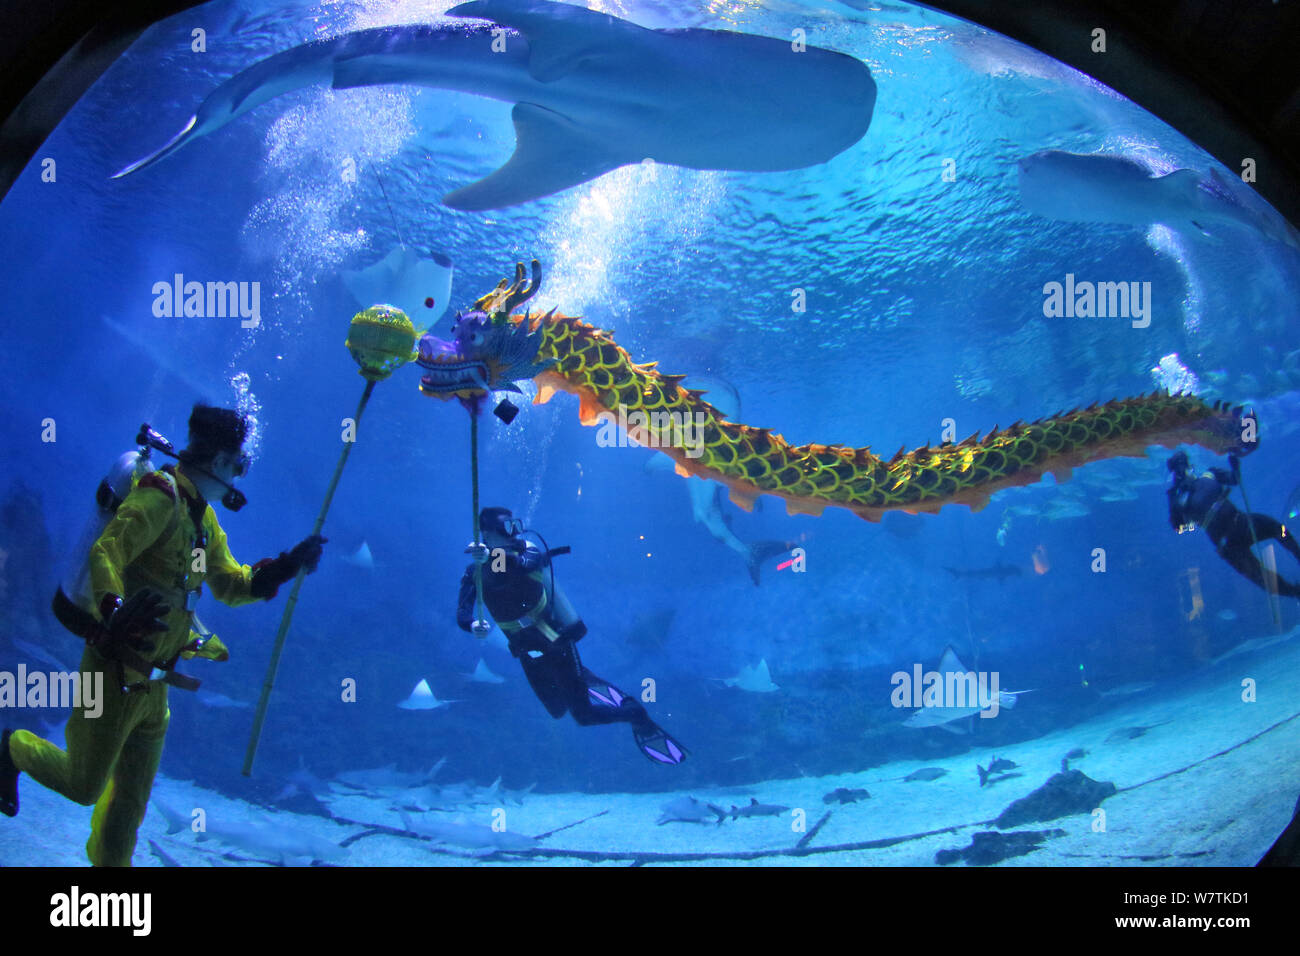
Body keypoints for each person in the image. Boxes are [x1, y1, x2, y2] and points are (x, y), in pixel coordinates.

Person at [0, 404, 326, 865]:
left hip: (157, 686)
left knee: (127, 810)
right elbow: (107, 552)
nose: (239, 477)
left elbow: (231, 584)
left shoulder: (203, 520)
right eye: (239, 466)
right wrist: (113, 607)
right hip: (111, 674)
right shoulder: (160, 496)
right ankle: (12, 747)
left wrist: (289, 565)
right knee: (82, 784)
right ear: (217, 463)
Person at [457, 507, 686, 765]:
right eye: (506, 528)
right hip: (525, 648)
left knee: (583, 716)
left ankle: (634, 713)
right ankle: (582, 678)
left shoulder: (527, 550)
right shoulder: (475, 571)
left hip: (555, 639)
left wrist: (492, 555)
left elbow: (518, 567)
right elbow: (463, 612)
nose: (513, 533)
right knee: (556, 710)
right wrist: (475, 624)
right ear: (487, 533)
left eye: (515, 526)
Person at [1167, 449, 1300, 597]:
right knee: (1260, 576)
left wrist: (1235, 466)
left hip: (1240, 523)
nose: (1184, 470)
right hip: (1229, 543)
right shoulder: (1178, 498)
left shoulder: (1209, 475)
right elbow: (1177, 526)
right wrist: (1176, 497)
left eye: (1184, 466)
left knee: (1279, 529)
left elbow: (1234, 479)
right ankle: (1294, 592)